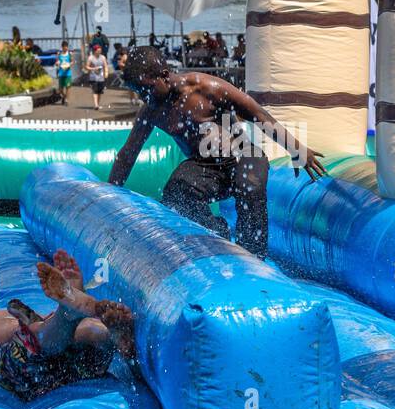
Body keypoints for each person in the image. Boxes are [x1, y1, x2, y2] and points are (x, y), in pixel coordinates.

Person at [109, 46, 326, 258]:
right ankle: (216, 233)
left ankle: (254, 255)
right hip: (206, 167)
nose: (143, 97)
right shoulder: (151, 110)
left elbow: (258, 114)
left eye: (146, 89)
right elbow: (128, 154)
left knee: (249, 184)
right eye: (138, 92)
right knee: (175, 193)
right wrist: (111, 195)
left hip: (243, 156)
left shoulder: (205, 88)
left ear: (164, 76)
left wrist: (295, 148)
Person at [0, 246, 136, 402]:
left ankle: (110, 336)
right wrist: (17, 329)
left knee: (81, 332)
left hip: (66, 370)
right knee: (39, 335)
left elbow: (41, 328)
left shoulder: (3, 314)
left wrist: (36, 325)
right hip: (19, 371)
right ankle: (69, 311)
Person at [86, 43, 110, 111]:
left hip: (101, 77)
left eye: (100, 50)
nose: (99, 51)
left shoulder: (103, 57)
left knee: (100, 92)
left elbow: (105, 66)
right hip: (93, 77)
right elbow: (87, 67)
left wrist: (106, 73)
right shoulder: (91, 58)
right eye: (98, 50)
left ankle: (98, 104)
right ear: (95, 51)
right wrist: (93, 69)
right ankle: (96, 105)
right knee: (95, 91)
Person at [55, 41, 74, 105]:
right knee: (60, 89)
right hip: (61, 73)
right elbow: (57, 62)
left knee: (68, 87)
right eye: (64, 47)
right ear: (62, 47)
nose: (66, 48)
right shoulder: (59, 54)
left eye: (67, 47)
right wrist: (57, 63)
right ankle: (64, 96)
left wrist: (69, 64)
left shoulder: (69, 54)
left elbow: (72, 62)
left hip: (68, 73)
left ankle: (66, 100)